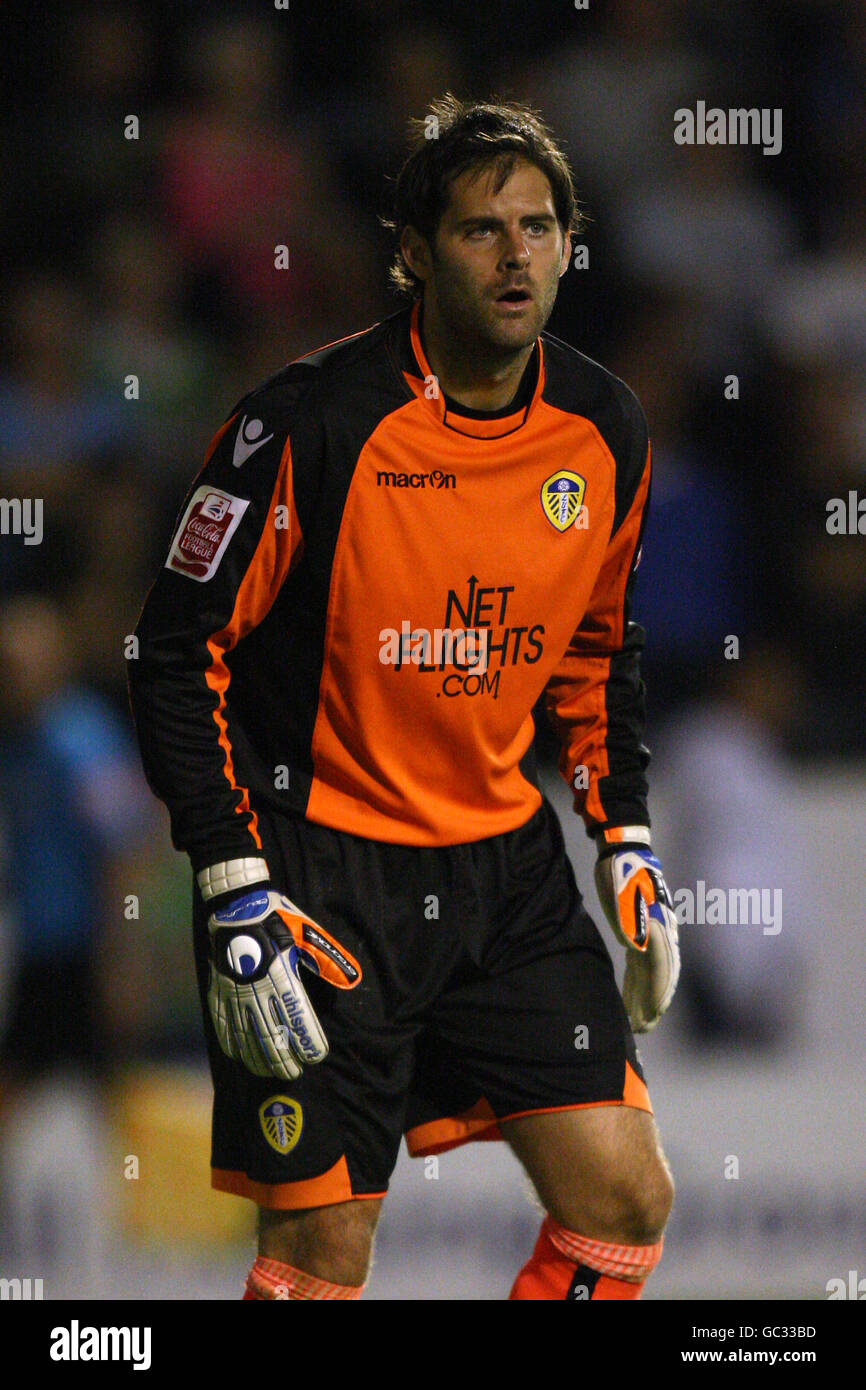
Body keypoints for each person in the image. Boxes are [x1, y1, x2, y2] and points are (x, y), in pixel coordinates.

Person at [129, 95, 679, 1302]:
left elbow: (597, 651)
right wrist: (229, 879)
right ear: (413, 253)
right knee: (320, 1256)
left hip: (504, 875)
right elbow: (175, 653)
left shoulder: (603, 429)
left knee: (622, 1203)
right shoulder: (306, 422)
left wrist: (623, 833)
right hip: (318, 882)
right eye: (482, 230)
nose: (516, 254)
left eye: (539, 227)